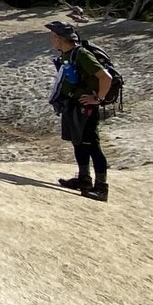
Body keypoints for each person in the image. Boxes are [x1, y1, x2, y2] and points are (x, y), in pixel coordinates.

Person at [45, 20, 113, 201]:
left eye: (52, 36)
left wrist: (97, 99)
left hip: (86, 107)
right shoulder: (67, 54)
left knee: (92, 146)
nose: (51, 40)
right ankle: (84, 179)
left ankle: (101, 188)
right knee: (78, 142)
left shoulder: (81, 54)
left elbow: (106, 78)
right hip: (73, 104)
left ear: (59, 38)